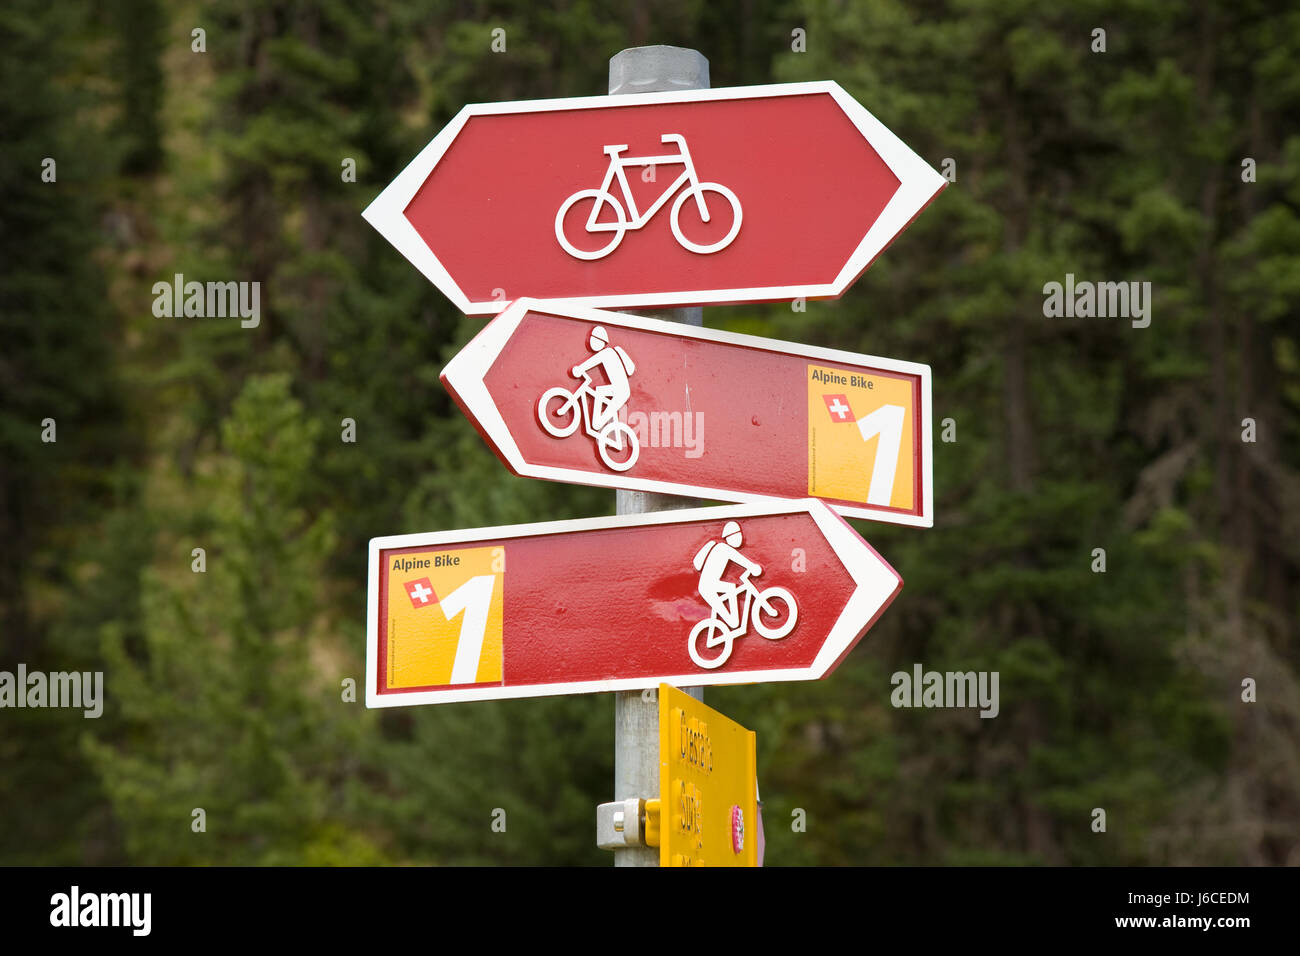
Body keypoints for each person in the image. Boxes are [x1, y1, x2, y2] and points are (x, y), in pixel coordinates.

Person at [693, 521, 762, 631]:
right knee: (733, 618)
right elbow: (740, 559)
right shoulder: (723, 548)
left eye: (739, 534)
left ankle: (733, 622)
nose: (740, 538)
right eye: (736, 535)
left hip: (713, 584)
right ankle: (732, 623)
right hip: (707, 587)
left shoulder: (723, 548)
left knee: (731, 588)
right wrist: (752, 567)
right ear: (729, 537)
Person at [571, 325, 635, 431]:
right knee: (599, 391)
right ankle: (597, 423)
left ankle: (598, 424)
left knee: (599, 396)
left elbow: (592, 362)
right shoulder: (607, 353)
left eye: (595, 339)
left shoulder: (607, 353)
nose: (592, 342)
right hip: (617, 388)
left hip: (621, 391)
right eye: (592, 339)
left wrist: (580, 369)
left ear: (602, 341)